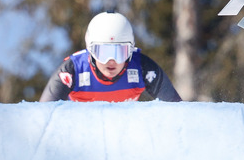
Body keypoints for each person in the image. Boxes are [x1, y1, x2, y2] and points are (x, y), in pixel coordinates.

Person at [40, 11, 182, 102]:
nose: (111, 61)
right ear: (90, 50)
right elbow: (44, 115)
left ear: (131, 51)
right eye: (102, 52)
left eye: (120, 52)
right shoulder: (73, 69)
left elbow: (177, 110)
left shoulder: (142, 66)